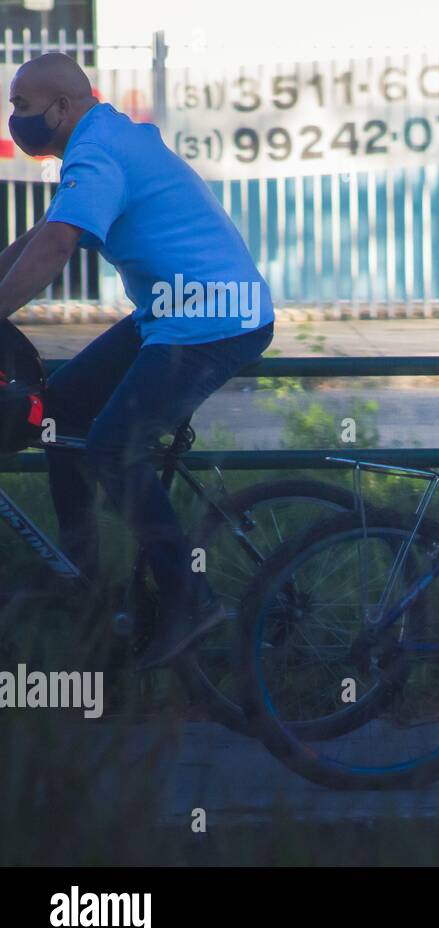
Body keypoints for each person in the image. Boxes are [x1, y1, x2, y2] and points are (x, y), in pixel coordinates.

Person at [0, 53, 275, 669]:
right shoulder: (101, 140)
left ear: (62, 107)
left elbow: (55, 247)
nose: (14, 119)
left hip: (213, 320)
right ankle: (83, 574)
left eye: (20, 105)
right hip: (177, 311)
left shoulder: (99, 150)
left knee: (112, 447)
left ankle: (190, 599)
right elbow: (43, 233)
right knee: (61, 409)